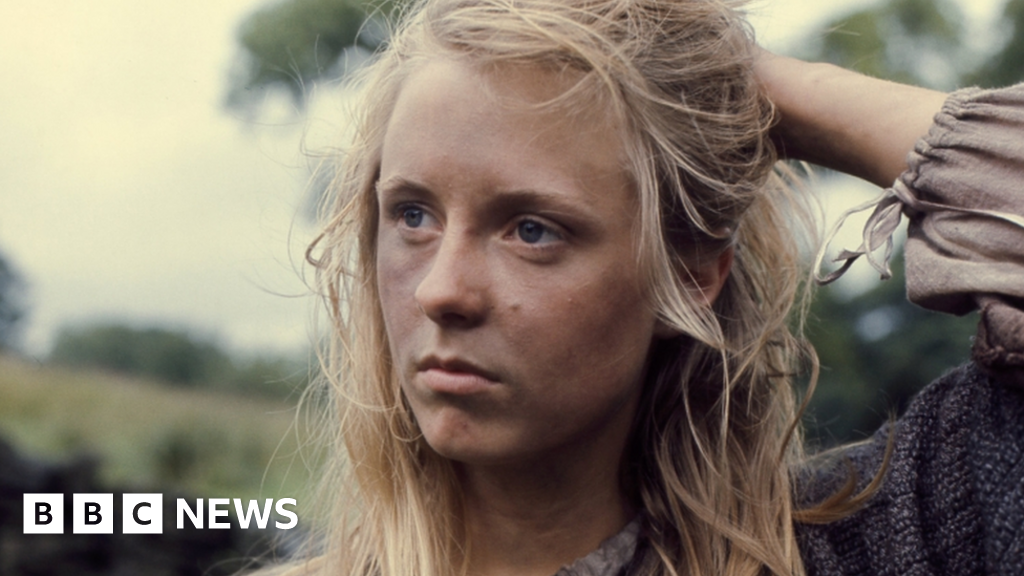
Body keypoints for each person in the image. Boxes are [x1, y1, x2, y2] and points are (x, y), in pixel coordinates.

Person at [265, 0, 1024, 574]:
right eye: (413, 215)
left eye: (532, 229)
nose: (442, 291)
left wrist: (741, 85)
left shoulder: (880, 543)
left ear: (690, 277)